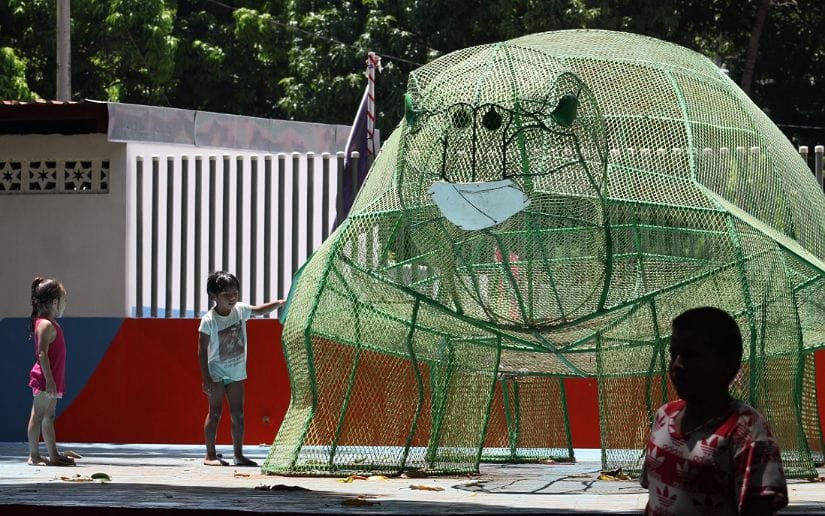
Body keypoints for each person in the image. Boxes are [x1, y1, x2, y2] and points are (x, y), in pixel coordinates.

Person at [641, 306, 788, 515]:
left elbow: (758, 508)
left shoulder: (746, 429)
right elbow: (655, 499)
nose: (677, 364)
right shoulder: (663, 417)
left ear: (728, 364)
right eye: (674, 353)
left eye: (691, 355)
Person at [198, 271, 284, 466]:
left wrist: (279, 302)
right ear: (214, 296)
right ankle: (210, 455)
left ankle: (238, 455)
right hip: (216, 373)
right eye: (226, 294)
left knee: (238, 415)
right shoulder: (209, 320)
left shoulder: (240, 310)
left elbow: (259, 310)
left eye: (235, 293)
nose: (232, 297)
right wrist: (206, 379)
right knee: (215, 413)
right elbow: (202, 351)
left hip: (236, 372)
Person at [27, 277, 74, 466]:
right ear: (54, 302)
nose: (65, 305)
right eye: (64, 301)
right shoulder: (45, 325)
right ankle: (34, 455)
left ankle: (53, 455)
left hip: (52, 380)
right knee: (37, 416)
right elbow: (42, 354)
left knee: (48, 417)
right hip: (45, 381)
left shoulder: (50, 323)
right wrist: (50, 381)